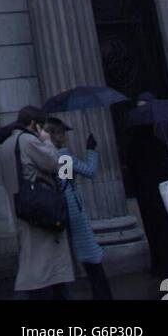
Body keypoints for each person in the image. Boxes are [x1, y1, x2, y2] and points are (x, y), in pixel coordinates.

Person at [0, 106, 74, 300]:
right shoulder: (28, 140)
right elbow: (54, 163)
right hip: (42, 209)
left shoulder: (7, 143)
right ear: (34, 124)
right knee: (39, 271)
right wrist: (48, 142)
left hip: (24, 208)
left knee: (41, 269)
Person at [44, 119, 113, 300]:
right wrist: (91, 150)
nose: (65, 136)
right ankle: (102, 294)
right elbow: (89, 171)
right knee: (90, 254)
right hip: (72, 208)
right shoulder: (63, 156)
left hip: (59, 208)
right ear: (55, 135)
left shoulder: (47, 155)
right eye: (61, 133)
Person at [126, 97, 168, 284]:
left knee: (155, 236)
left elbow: (132, 174)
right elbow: (167, 169)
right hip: (163, 198)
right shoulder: (156, 144)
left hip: (146, 199)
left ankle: (163, 273)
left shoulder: (132, 146)